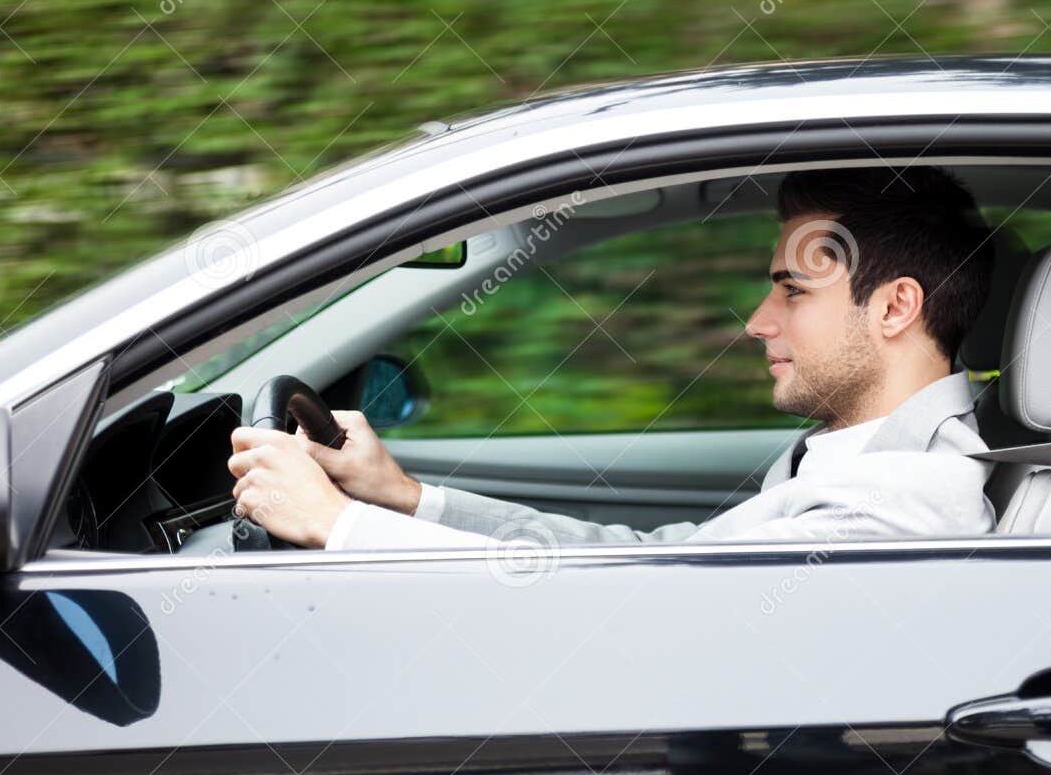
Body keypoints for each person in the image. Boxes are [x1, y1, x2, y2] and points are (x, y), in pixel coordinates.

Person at [227, 165, 998, 549]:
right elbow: (650, 564)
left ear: (895, 306)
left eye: (792, 292)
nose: (757, 323)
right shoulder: (854, 461)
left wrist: (338, 525)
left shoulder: (894, 506)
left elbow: (623, 616)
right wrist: (404, 497)